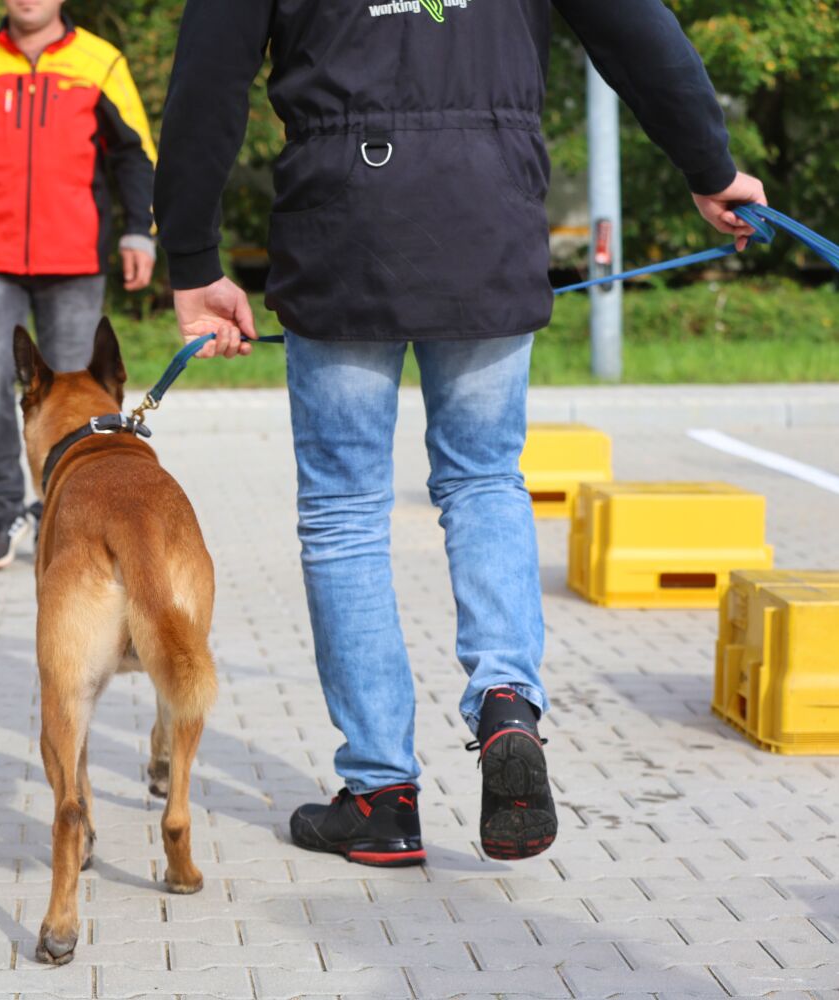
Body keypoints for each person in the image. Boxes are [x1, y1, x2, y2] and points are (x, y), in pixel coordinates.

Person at [153, 0, 766, 865]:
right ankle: (508, 701)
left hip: (342, 220)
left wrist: (193, 257)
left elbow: (208, 76)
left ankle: (380, 795)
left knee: (345, 511)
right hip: (489, 206)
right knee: (483, 478)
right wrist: (711, 165)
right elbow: (635, 26)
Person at [0, 0, 157, 569]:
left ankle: (60, 515)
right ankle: (1, 514)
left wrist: (139, 232)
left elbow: (135, 156)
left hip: (74, 257)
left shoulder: (101, 62)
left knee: (75, 401)